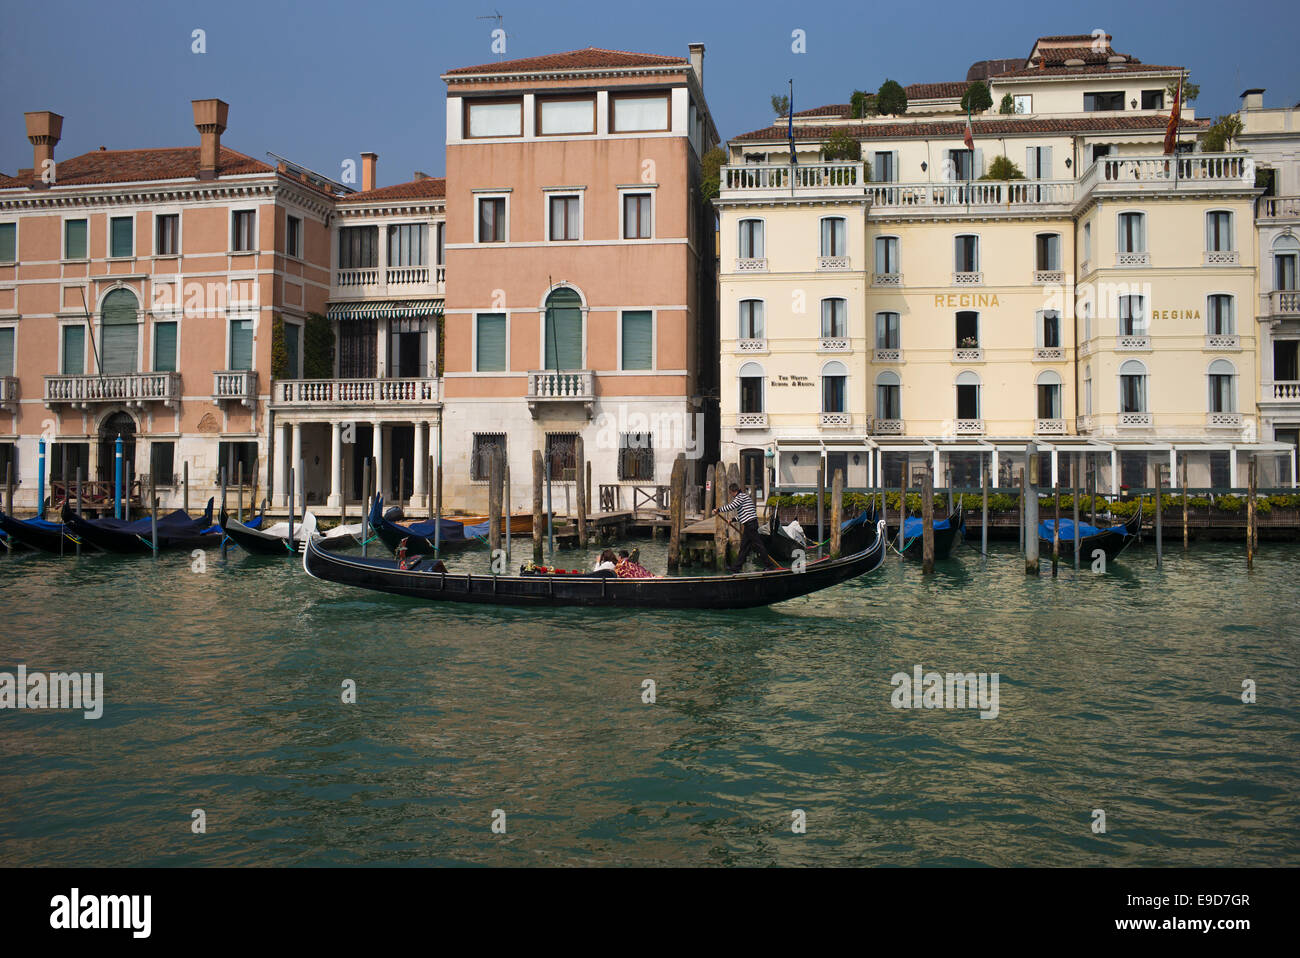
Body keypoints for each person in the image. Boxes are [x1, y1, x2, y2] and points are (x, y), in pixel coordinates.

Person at [713, 482, 773, 573]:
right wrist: (733, 519)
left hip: (750, 525)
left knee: (758, 545)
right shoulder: (744, 497)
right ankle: (737, 567)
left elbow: (732, 506)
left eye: (730, 493)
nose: (731, 495)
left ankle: (769, 565)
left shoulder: (740, 497)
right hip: (750, 524)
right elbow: (744, 513)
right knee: (744, 547)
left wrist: (719, 510)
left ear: (733, 491)